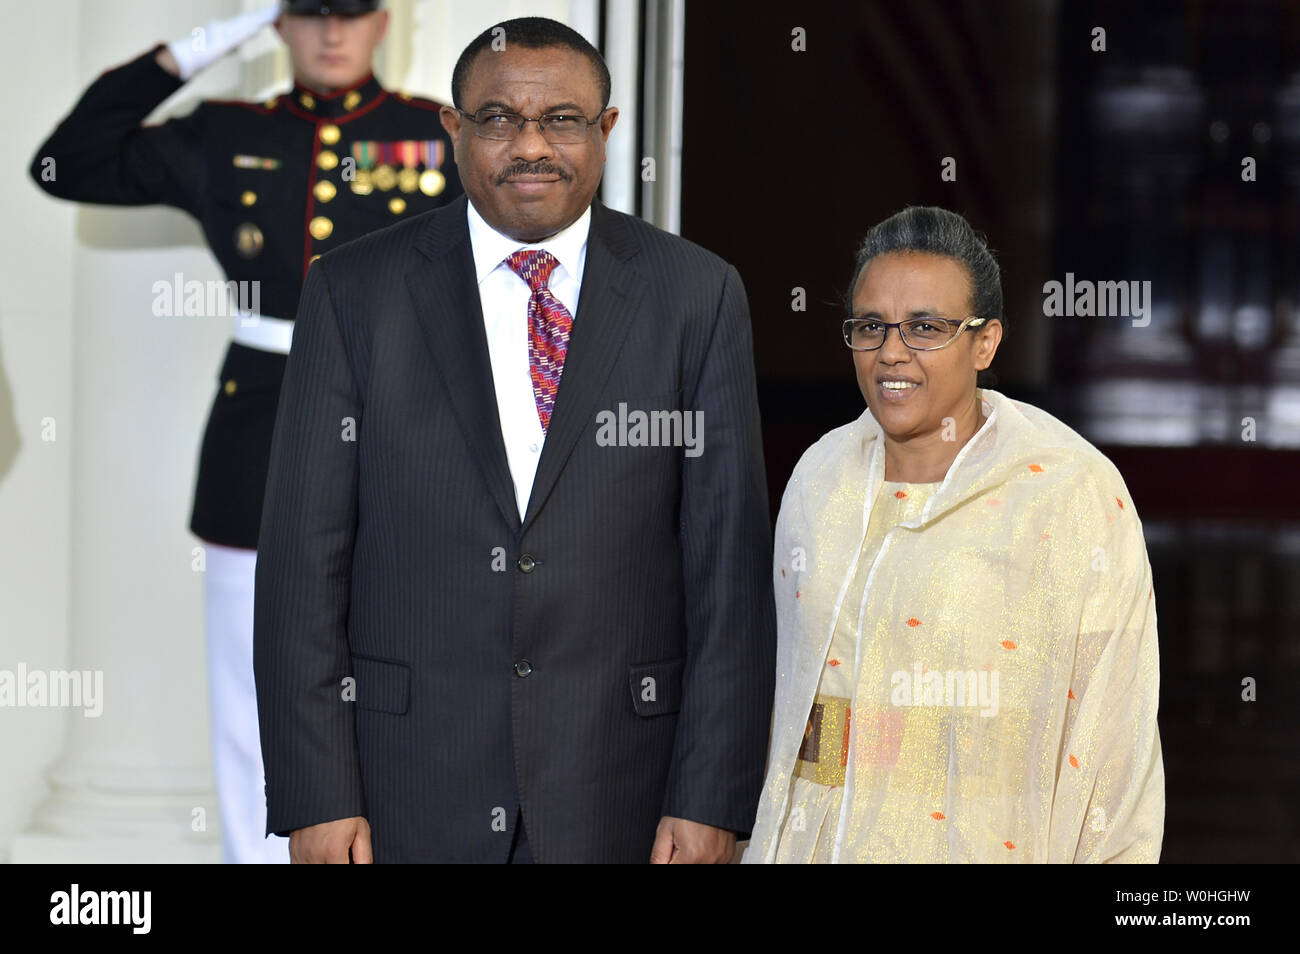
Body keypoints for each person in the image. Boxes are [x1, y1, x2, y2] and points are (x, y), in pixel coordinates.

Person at [253, 16, 776, 863]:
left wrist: (713, 797)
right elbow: (301, 569)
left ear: (607, 132)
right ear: (454, 131)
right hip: (403, 793)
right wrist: (316, 795)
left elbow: (728, 573)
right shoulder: (353, 293)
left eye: (562, 119)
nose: (531, 146)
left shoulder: (697, 296)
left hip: (625, 793)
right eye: (498, 119)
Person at [28, 0, 462, 864]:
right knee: (251, 690)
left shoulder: (433, 130)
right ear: (276, 24)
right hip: (256, 435)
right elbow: (62, 161)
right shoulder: (225, 134)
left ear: (385, 21)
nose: (330, 33)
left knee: (412, 678)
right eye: (304, 13)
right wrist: (207, 41)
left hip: (406, 433)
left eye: (351, 12)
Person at [744, 207, 1164, 863]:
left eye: (926, 328)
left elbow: (1115, 739)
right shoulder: (820, 479)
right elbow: (793, 708)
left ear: (986, 342)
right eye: (870, 326)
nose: (891, 351)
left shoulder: (1063, 491)